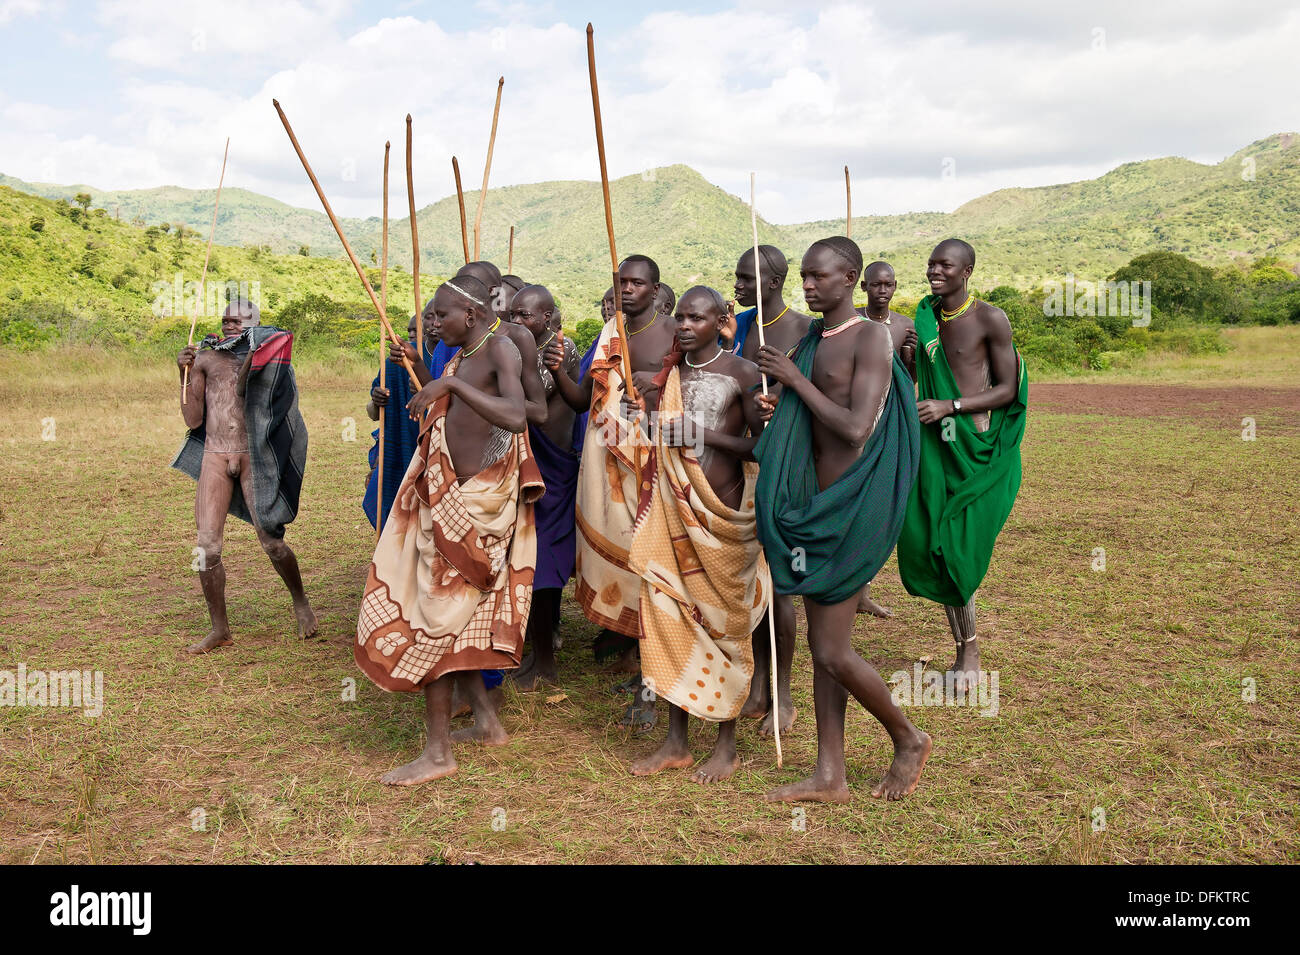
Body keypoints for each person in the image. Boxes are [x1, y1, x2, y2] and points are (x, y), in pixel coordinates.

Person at [753, 236, 929, 802]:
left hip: (850, 507)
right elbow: (811, 419)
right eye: (803, 276)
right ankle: (831, 774)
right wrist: (780, 407)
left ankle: (907, 736)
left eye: (818, 277)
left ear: (848, 277)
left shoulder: (870, 338)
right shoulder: (812, 336)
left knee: (831, 649)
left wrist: (796, 383)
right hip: (813, 506)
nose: (807, 286)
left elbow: (856, 427)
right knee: (824, 648)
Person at [356, 276, 543, 785]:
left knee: (434, 616)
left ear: (474, 313)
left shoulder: (500, 349)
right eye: (433, 317)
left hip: (478, 505)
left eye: (442, 316)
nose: (434, 324)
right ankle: (486, 722)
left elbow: (519, 416)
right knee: (454, 614)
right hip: (450, 496)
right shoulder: (459, 355)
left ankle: (437, 754)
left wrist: (451, 384)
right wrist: (430, 377)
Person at [627, 287, 770, 783]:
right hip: (669, 511)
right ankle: (675, 741)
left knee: (721, 625)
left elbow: (760, 447)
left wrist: (698, 434)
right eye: (680, 318)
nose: (684, 326)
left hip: (720, 513)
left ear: (720, 321)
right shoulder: (666, 375)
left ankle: (725, 744)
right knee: (671, 620)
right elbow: (649, 436)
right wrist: (641, 414)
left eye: (696, 318)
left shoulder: (742, 373)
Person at [545, 254, 676, 730]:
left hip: (655, 467)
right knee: (625, 562)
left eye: (636, 283)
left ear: (656, 289)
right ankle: (643, 670)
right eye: (620, 282)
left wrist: (656, 389)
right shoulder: (609, 334)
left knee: (652, 571)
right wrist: (559, 369)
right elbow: (583, 400)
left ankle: (653, 687)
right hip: (608, 469)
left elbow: (686, 404)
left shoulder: (675, 333)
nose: (626, 289)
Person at [897, 239, 1028, 692]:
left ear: (967, 271)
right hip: (934, 442)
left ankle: (968, 651)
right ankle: (964, 643)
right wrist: (912, 359)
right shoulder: (926, 316)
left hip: (975, 443)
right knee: (932, 537)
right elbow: (914, 379)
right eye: (931, 262)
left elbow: (1008, 388)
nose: (935, 271)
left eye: (945, 265)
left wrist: (950, 404)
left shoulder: (990, 318)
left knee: (960, 544)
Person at [173, 299, 316, 653]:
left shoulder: (272, 358)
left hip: (255, 456)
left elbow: (282, 408)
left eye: (237, 320)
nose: (229, 326)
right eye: (225, 321)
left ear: (255, 322)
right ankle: (219, 629)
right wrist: (183, 373)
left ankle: (300, 602)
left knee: (271, 541)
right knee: (207, 548)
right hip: (215, 455)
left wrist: (252, 362)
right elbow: (192, 419)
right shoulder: (206, 360)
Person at [731, 244, 812, 737]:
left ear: (775, 279)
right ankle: (759, 682)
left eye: (746, 278)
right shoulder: (739, 327)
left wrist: (778, 399)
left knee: (781, 584)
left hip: (789, 468)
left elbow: (813, 390)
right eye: (737, 277)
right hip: (745, 465)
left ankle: (783, 695)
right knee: (751, 581)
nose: (737, 285)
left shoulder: (806, 330)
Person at [509, 284, 582, 688]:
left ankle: (545, 662)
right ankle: (536, 651)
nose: (519, 322)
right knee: (533, 562)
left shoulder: (559, 350)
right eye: (514, 314)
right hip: (531, 465)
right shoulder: (518, 350)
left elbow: (526, 403)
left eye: (527, 316)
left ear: (548, 317)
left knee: (539, 566)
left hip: (552, 469)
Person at [852, 260, 919, 618]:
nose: (883, 291)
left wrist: (910, 354)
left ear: (895, 287)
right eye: (876, 285)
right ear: (863, 287)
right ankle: (839, 584)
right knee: (852, 502)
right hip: (853, 419)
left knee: (878, 508)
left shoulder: (905, 325)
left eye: (889, 285)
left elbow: (909, 380)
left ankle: (861, 591)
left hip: (888, 420)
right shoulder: (853, 320)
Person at [363, 314, 436, 532]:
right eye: (409, 331)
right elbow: (374, 412)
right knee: (383, 498)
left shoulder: (451, 357)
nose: (412, 336)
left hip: (431, 448)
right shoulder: (393, 363)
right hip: (399, 444)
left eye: (439, 317)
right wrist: (378, 399)